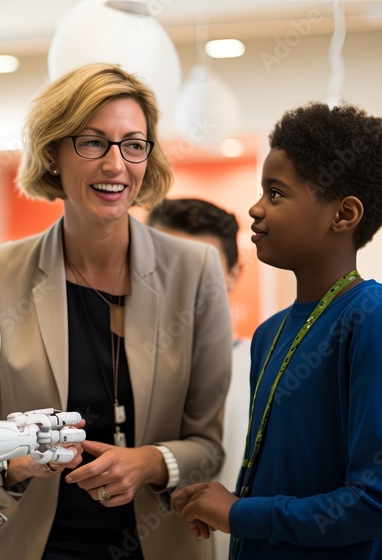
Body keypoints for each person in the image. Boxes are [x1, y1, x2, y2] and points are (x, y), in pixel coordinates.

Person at [0, 63, 232, 560]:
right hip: (30, 545)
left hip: (159, 545)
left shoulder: (195, 270)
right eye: (92, 142)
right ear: (53, 155)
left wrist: (150, 462)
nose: (116, 165)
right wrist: (21, 460)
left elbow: (208, 445)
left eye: (133, 144)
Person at [171, 102, 382, 560]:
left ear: (343, 214)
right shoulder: (270, 335)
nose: (255, 207)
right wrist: (220, 503)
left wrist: (239, 514)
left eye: (276, 194)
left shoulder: (372, 318)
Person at [145, 198, 249, 558]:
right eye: (165, 269)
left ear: (235, 275)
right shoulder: (100, 368)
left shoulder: (266, 370)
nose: (181, 288)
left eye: (204, 274)